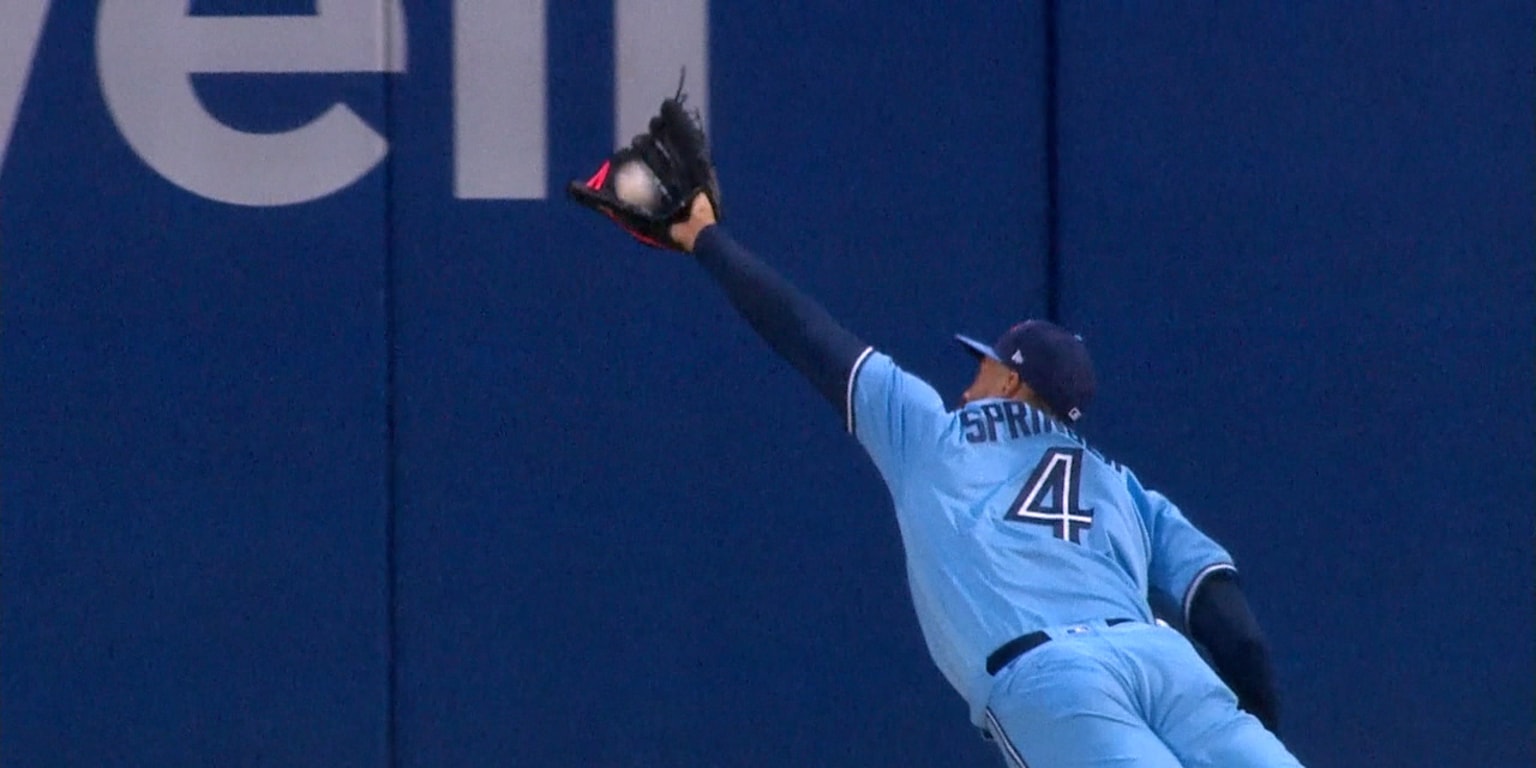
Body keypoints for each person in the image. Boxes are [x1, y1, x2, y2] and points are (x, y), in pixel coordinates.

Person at [582, 184, 1305, 766]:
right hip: (1164, 660)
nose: (969, 383)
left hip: (1055, 681)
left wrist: (701, 234)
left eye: (984, 365)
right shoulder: (1127, 490)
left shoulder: (936, 434)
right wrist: (1244, 723)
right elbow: (1233, 626)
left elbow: (805, 332)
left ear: (1015, 384)